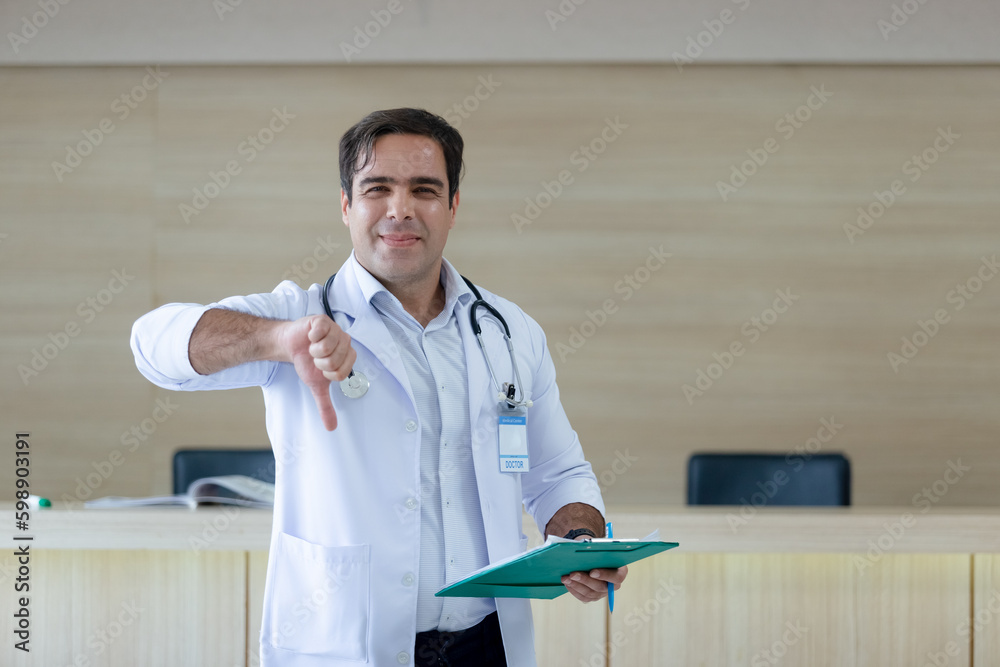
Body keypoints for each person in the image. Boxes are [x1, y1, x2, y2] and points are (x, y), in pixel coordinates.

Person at [130, 107, 626, 667]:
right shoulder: (301, 315)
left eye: (424, 189)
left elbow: (557, 473)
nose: (400, 208)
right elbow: (153, 346)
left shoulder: (509, 332)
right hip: (348, 644)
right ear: (346, 205)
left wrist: (582, 542)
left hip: (485, 644)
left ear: (453, 207)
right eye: (377, 188)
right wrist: (279, 339)